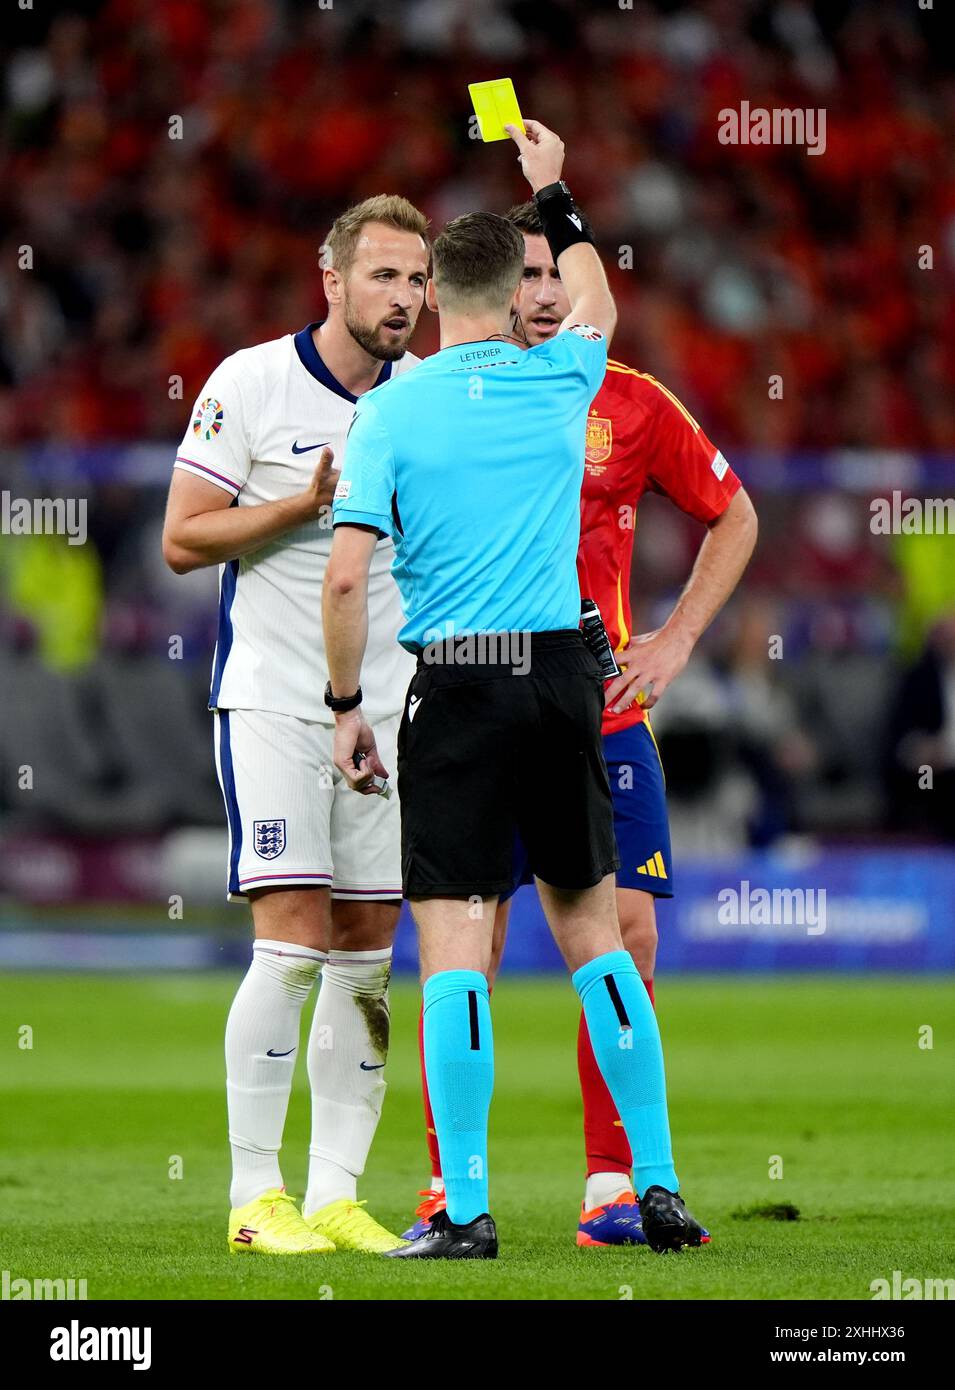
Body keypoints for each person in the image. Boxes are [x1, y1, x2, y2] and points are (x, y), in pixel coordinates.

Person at [323, 120, 707, 1258]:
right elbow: (595, 298)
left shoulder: (392, 410)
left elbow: (347, 577)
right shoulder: (564, 378)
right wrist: (555, 188)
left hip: (457, 682)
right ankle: (659, 1183)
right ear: (513, 289)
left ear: (436, 290)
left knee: (452, 948)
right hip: (560, 681)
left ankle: (466, 1207)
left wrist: (347, 703)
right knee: (595, 938)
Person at [404, 199, 758, 1247]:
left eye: (560, 273)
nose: (547, 291)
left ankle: (612, 1183)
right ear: (493, 295)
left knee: (625, 934)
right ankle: (448, 1183)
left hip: (594, 711)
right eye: (527, 276)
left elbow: (735, 513)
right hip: (483, 695)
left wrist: (677, 640)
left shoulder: (629, 400)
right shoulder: (469, 394)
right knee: (473, 938)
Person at [162, 195, 430, 1255]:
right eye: (383, 277)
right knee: (292, 942)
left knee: (368, 949)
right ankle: (251, 1195)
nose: (404, 298)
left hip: (391, 706)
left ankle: (333, 1195)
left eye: (416, 280)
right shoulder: (251, 381)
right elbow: (183, 539)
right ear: (332, 281)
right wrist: (298, 504)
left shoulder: (425, 399)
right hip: (276, 697)